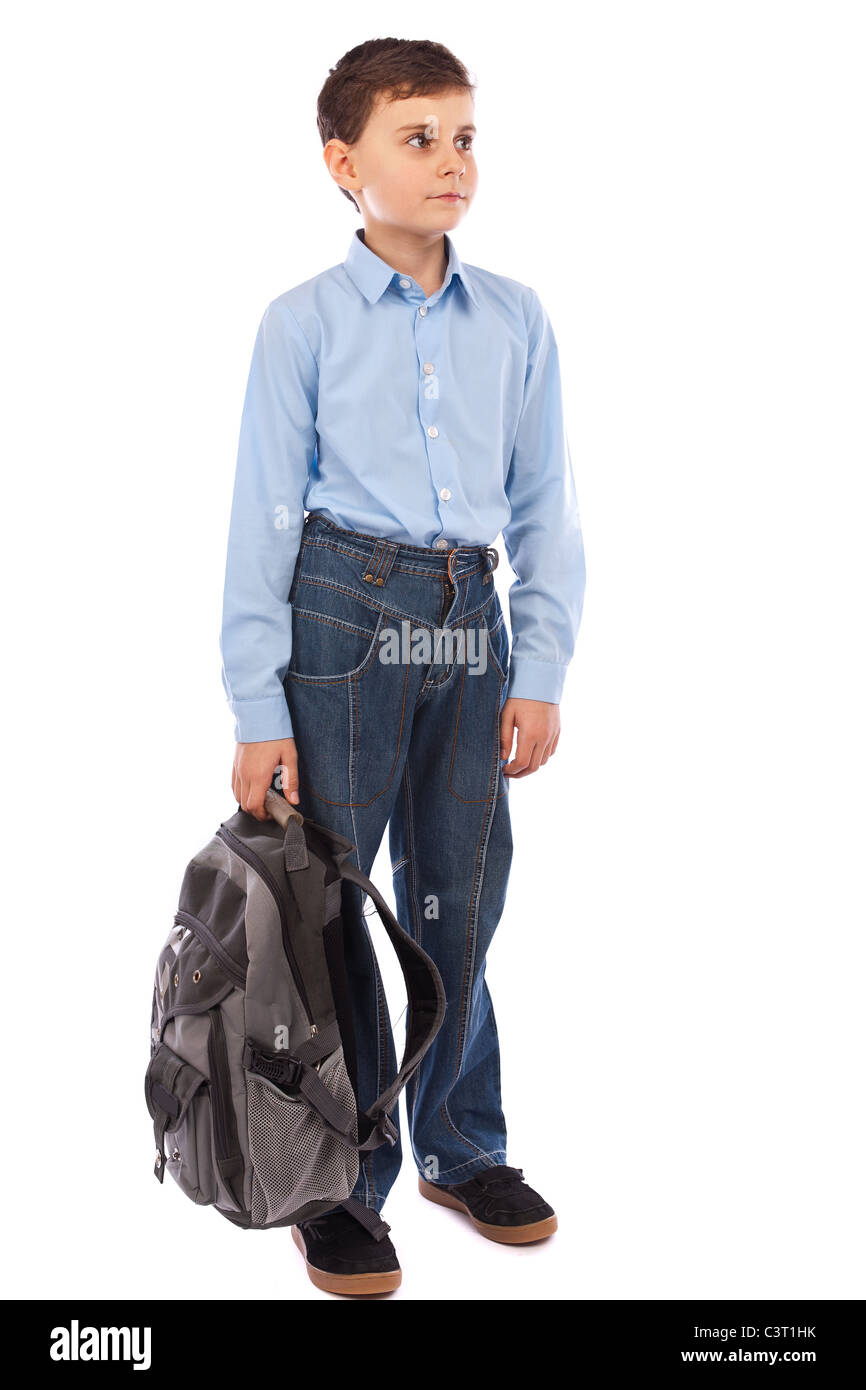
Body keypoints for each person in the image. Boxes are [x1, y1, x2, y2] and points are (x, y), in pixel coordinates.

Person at [220, 37, 586, 1295]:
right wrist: (256, 701)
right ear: (343, 163)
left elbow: (544, 508)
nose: (450, 161)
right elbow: (262, 519)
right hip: (340, 611)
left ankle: (461, 1144)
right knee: (332, 906)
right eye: (416, 137)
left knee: (457, 895)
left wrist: (533, 665)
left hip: (462, 619)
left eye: (464, 136)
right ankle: (341, 1178)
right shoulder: (301, 325)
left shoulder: (515, 320)